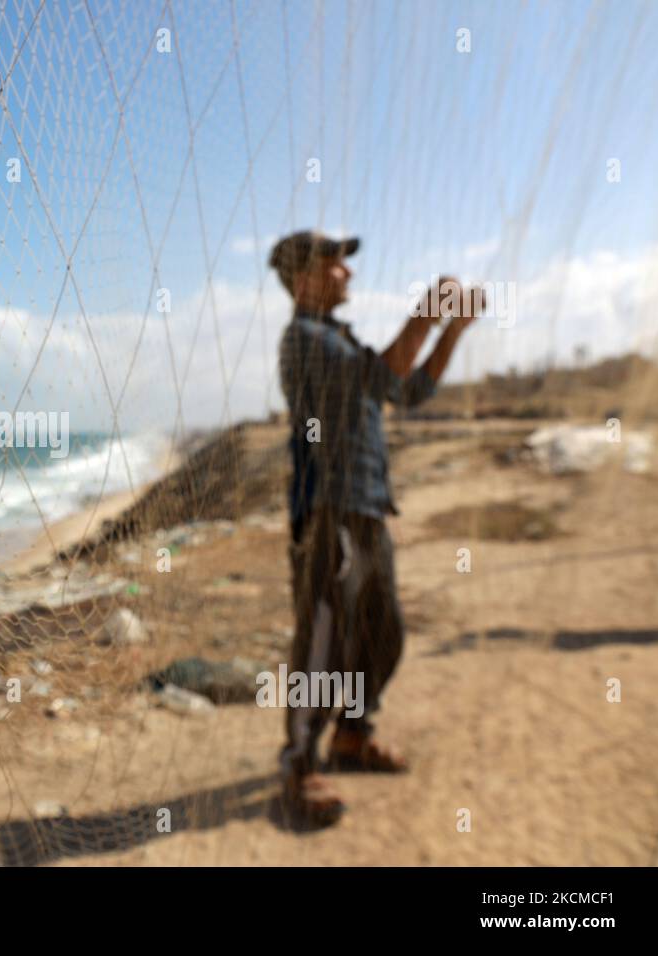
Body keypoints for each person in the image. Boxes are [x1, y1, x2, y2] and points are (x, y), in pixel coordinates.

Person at [270, 230, 480, 827]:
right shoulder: (303, 340)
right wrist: (426, 314)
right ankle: (299, 764)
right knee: (324, 642)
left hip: (367, 507)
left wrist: (452, 331)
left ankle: (352, 737)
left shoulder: (339, 338)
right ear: (303, 278)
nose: (348, 274)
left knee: (382, 634)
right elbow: (381, 376)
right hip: (327, 511)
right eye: (334, 265)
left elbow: (404, 390)